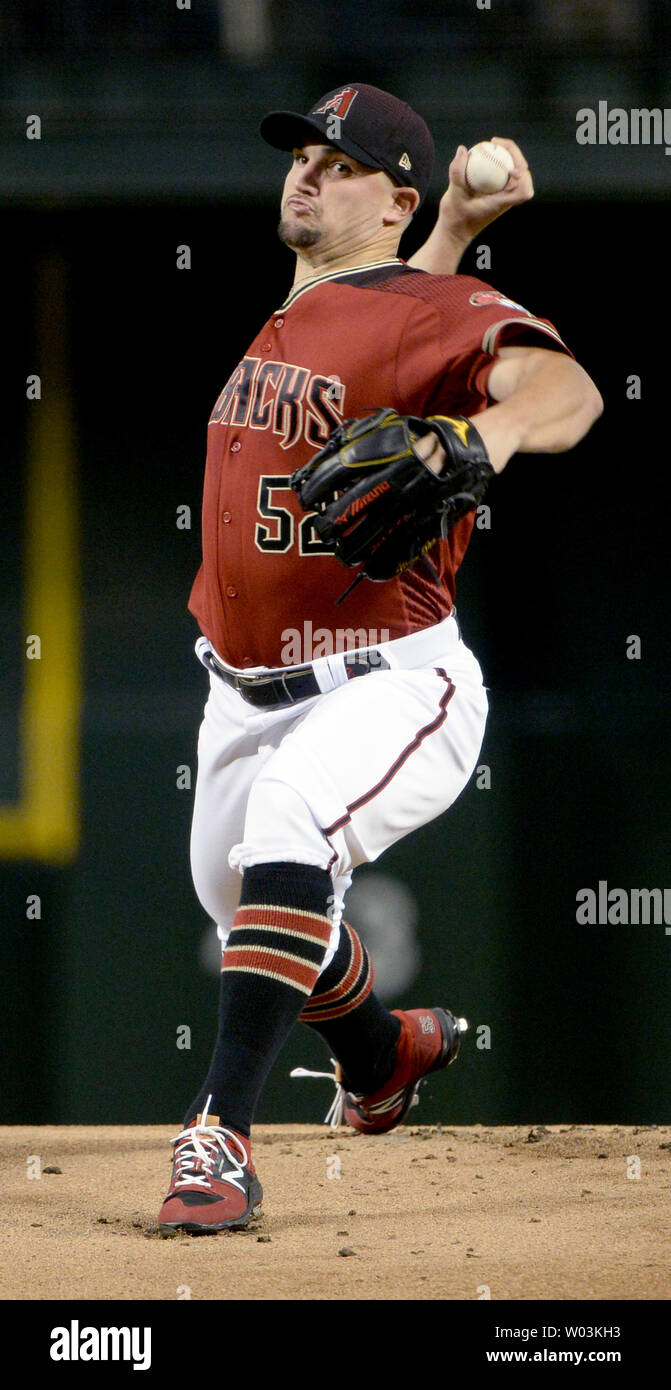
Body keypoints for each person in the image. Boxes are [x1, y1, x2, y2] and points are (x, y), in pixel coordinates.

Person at [157, 83, 602, 1233]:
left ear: (390, 197)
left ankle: (219, 1134)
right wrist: (451, 223)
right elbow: (379, 304)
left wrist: (481, 436)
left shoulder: (426, 310)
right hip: (240, 693)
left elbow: (567, 388)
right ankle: (380, 1054)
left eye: (338, 163)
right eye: (300, 153)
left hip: (391, 678)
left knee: (291, 827)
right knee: (238, 899)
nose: (305, 171)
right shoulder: (321, 301)